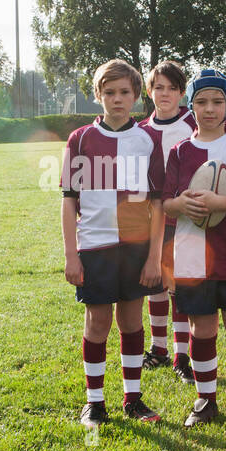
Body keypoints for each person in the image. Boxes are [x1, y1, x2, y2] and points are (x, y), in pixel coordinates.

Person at [61, 59, 166, 429]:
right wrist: (71, 255)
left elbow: (157, 202)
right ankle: (94, 403)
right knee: (98, 321)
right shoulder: (81, 140)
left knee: (131, 321)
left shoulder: (148, 139)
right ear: (98, 96)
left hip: (135, 246)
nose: (117, 99)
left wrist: (154, 257)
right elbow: (69, 200)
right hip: (95, 248)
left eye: (124, 92)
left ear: (137, 95)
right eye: (109, 92)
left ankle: (133, 399)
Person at [162, 69, 226, 427]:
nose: (210, 109)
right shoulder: (180, 151)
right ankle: (206, 401)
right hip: (192, 260)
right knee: (201, 328)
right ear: (191, 106)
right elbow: (165, 202)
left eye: (218, 101)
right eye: (202, 102)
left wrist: (220, 202)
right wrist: (182, 205)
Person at [139, 61, 198, 383]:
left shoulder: (192, 125)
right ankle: (158, 348)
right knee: (155, 284)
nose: (164, 93)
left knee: (178, 285)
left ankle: (182, 355)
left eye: (171, 88)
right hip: (149, 219)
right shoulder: (141, 130)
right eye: (158, 87)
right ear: (149, 92)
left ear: (181, 92)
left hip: (182, 218)